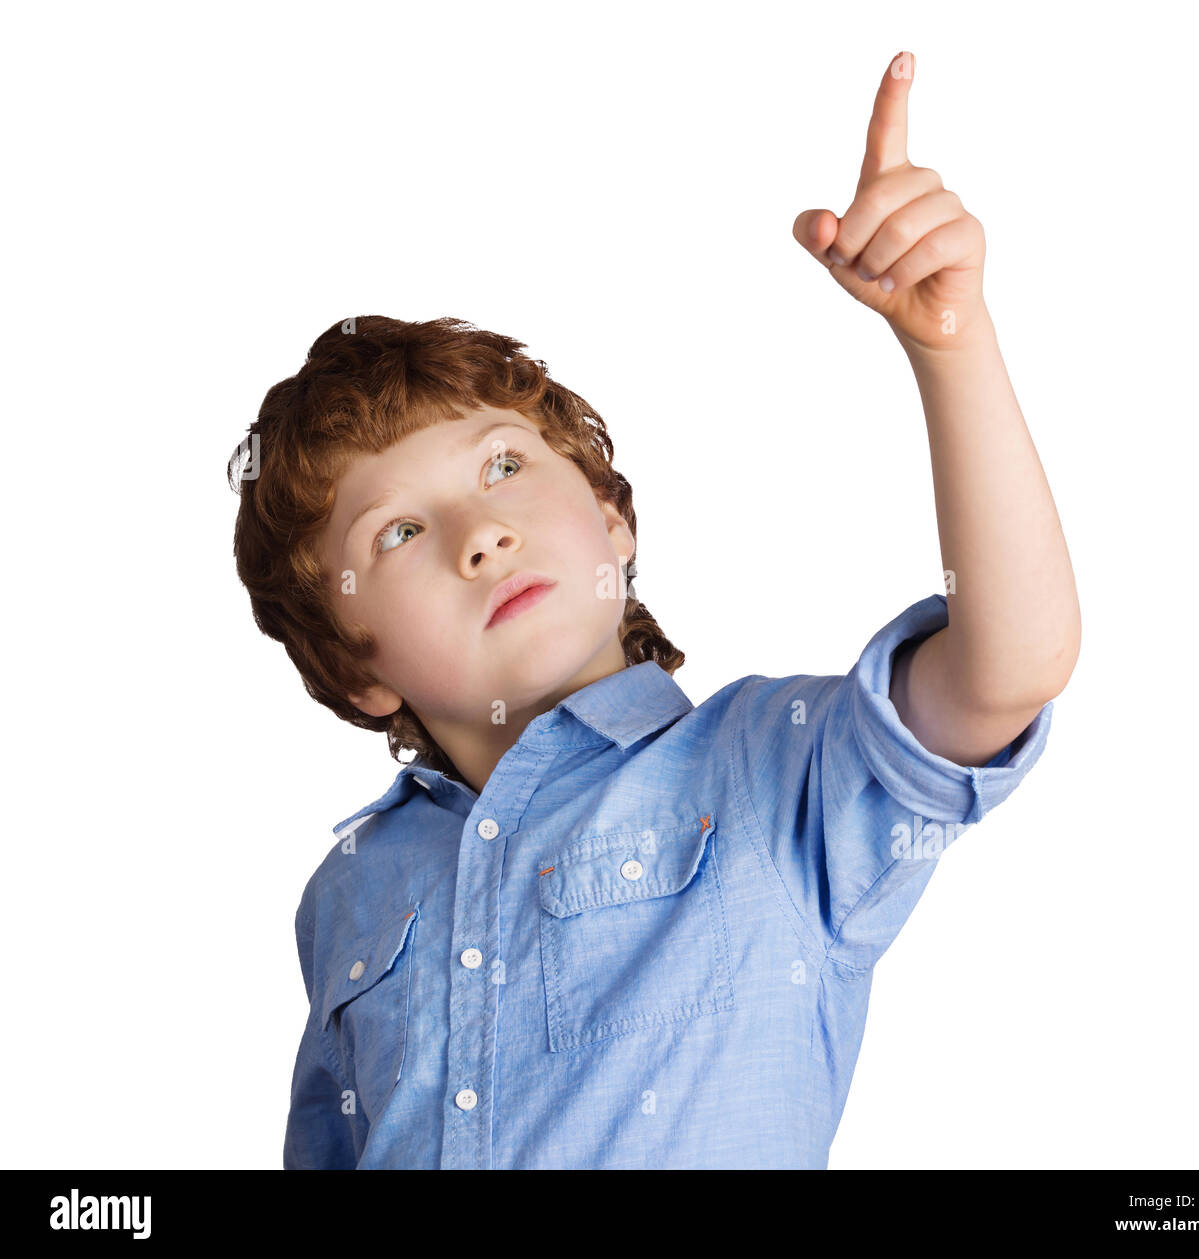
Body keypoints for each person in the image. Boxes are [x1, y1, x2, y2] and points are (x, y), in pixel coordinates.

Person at [229, 50, 1080, 1169]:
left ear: (613, 524)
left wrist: (950, 348)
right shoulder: (346, 896)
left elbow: (1008, 665)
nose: (478, 533)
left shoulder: (771, 777)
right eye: (396, 531)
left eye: (503, 466)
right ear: (355, 668)